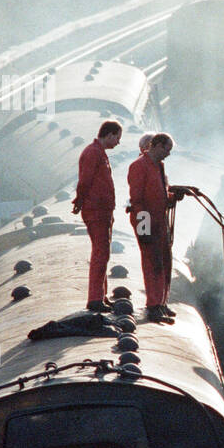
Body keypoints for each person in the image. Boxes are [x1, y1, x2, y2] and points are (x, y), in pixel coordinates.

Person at [127, 132, 178, 322]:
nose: (168, 154)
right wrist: (143, 227)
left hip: (160, 220)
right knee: (152, 262)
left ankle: (162, 303)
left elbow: (161, 193)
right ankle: (154, 305)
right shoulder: (138, 166)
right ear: (156, 145)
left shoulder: (159, 166)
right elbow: (137, 200)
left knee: (164, 260)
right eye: (167, 149)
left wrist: (173, 196)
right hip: (146, 219)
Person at [73, 120, 122, 311]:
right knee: (100, 253)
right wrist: (79, 201)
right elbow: (84, 181)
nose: (118, 142)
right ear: (109, 134)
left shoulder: (98, 153)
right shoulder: (93, 153)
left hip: (103, 210)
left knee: (104, 253)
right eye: (117, 137)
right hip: (96, 210)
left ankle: (101, 295)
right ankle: (95, 298)